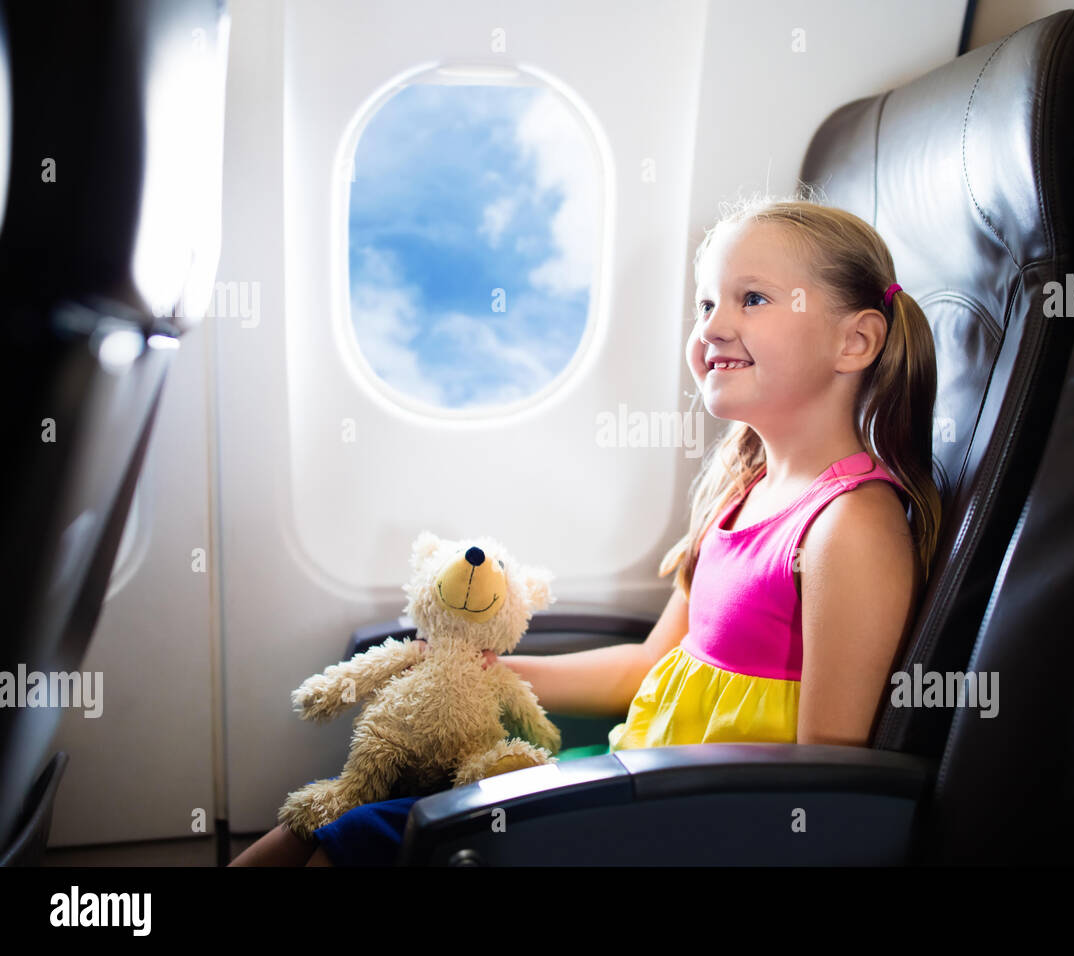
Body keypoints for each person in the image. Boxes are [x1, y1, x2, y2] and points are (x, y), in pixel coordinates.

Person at [229, 189, 940, 866]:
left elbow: (826, 784)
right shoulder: (743, 491)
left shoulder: (849, 525)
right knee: (325, 820)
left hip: (694, 824)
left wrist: (613, 796)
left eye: (751, 299)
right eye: (705, 303)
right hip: (635, 780)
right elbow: (646, 671)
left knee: (367, 835)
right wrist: (489, 672)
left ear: (856, 341)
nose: (712, 326)